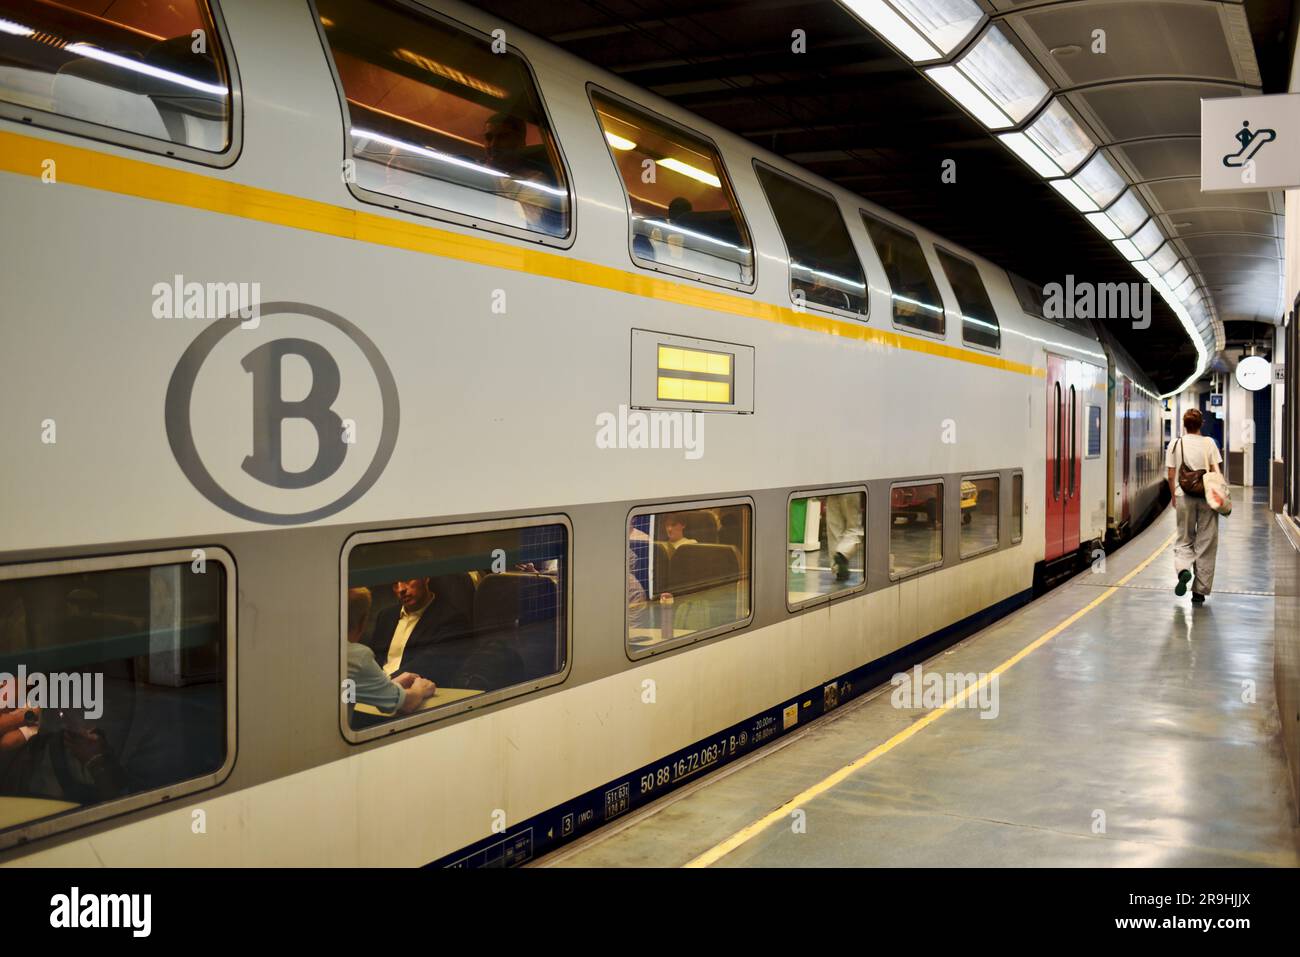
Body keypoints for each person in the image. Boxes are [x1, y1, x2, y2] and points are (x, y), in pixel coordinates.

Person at [346, 588, 435, 716]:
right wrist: (420, 689)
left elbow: (351, 690)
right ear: (363, 622)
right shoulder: (357, 657)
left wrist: (389, 683)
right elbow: (406, 704)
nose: (401, 588)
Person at [1166, 408, 1223, 605]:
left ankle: (1183, 570)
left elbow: (1171, 474)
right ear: (1201, 424)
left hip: (1183, 496)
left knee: (1184, 538)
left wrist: (1174, 495)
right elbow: (1216, 471)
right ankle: (1199, 592)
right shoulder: (1209, 443)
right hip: (1206, 496)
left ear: (1184, 424)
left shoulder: (1175, 444)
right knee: (1206, 542)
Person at [363, 577, 471, 680]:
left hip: (413, 688)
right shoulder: (386, 616)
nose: (401, 589)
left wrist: (384, 683)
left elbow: (428, 665)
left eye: (407, 579)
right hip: (376, 687)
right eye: (395, 584)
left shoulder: (450, 619)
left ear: (425, 578)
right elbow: (373, 658)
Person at [824, 493, 864, 582]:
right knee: (854, 528)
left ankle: (838, 570)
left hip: (832, 489)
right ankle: (842, 553)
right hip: (851, 488)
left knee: (835, 531)